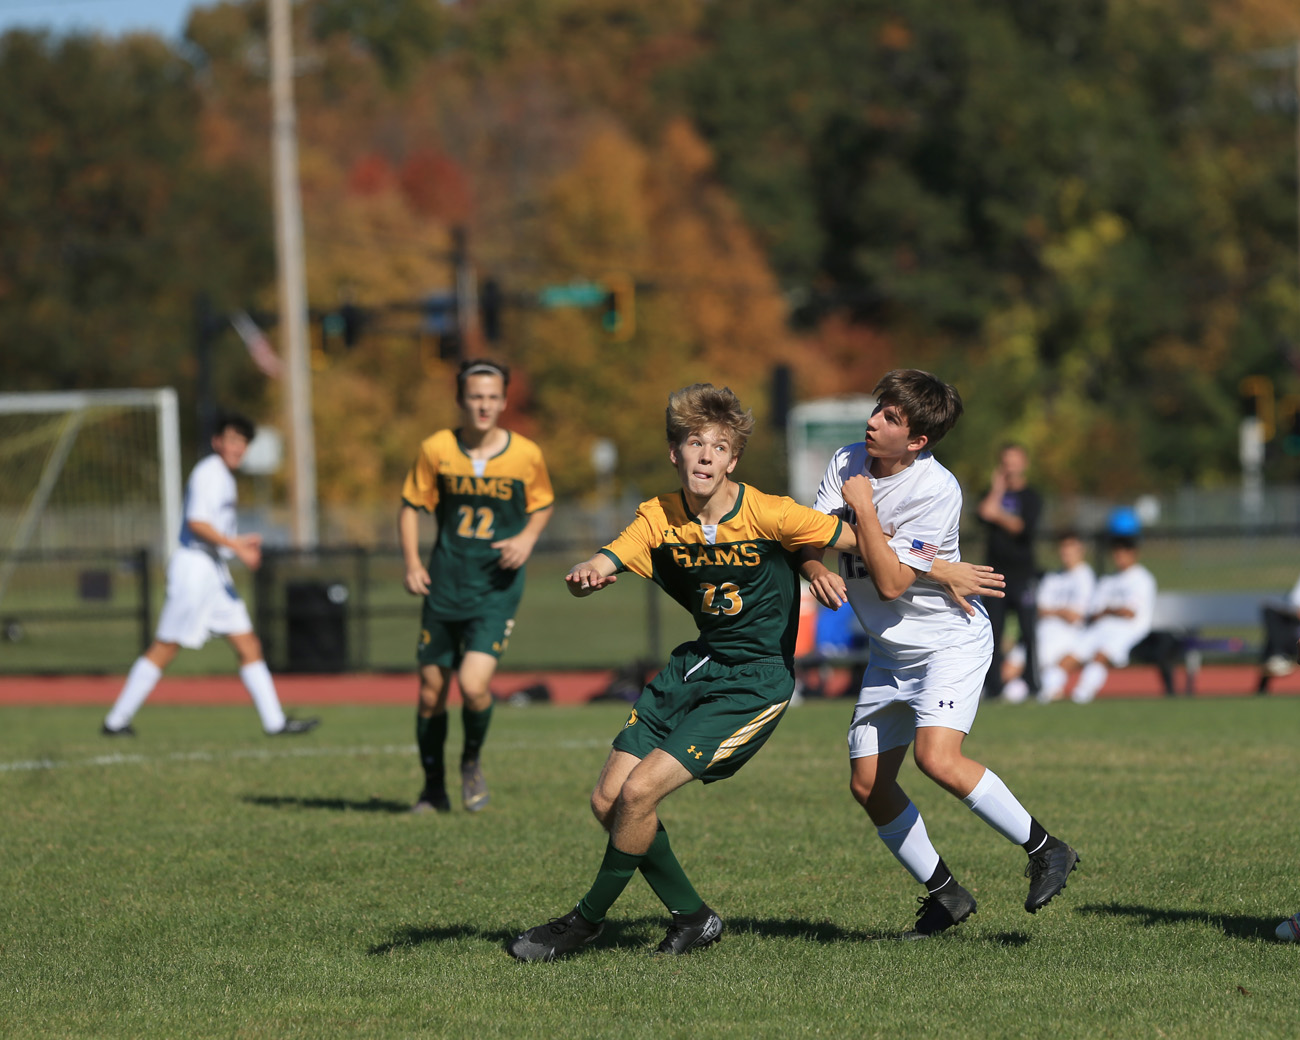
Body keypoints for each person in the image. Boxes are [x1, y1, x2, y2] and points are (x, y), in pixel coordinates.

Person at [505, 384, 998, 961]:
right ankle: (692, 917)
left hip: (753, 681)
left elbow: (866, 542)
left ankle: (583, 922)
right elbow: (617, 550)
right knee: (608, 801)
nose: (706, 455)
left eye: (719, 446)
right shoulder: (658, 515)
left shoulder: (768, 512)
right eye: (695, 443)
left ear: (733, 460)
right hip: (695, 666)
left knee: (638, 794)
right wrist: (590, 568)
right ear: (676, 454)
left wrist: (946, 571)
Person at [801, 369, 1078, 938]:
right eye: (878, 409)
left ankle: (1048, 849)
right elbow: (812, 534)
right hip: (890, 651)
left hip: (948, 642)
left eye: (891, 419)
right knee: (868, 786)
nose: (873, 422)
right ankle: (946, 895)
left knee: (937, 758)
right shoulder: (847, 459)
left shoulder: (936, 489)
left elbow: (892, 584)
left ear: (918, 441)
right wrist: (811, 564)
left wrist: (866, 516)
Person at [103, 411, 319, 737]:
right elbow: (197, 523)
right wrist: (235, 544)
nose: (237, 447)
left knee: (248, 644)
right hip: (194, 570)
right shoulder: (209, 472)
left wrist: (237, 544)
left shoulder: (225, 478)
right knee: (166, 647)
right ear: (218, 441)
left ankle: (275, 723)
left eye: (243, 442)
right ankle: (116, 721)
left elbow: (214, 531)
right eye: (232, 440)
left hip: (214, 573)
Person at [399, 359, 553, 814]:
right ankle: (433, 790)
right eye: (475, 396)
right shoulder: (437, 449)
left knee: (472, 684)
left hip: (495, 588)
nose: (483, 405)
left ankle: (470, 760)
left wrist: (526, 538)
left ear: (504, 401)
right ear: (460, 399)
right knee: (430, 691)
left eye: (492, 397)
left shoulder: (526, 454)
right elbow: (410, 505)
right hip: (445, 583)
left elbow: (542, 503)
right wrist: (411, 562)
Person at [1037, 533, 1157, 705]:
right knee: (1067, 658)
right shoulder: (1108, 580)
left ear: (1133, 553)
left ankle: (1083, 694)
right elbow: (1094, 612)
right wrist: (1110, 611)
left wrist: (1107, 610)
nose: (1119, 556)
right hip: (1098, 629)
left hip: (1127, 631)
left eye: (1123, 551)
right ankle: (1049, 692)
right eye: (1116, 552)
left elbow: (1129, 613)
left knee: (1100, 655)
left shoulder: (1142, 579)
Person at [977, 443, 1043, 699]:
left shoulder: (1032, 497)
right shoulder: (994, 493)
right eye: (1006, 461)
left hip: (1023, 574)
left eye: (1015, 461)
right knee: (992, 632)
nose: (1010, 467)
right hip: (994, 575)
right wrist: (997, 491)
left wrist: (997, 515)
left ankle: (1034, 685)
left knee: (1028, 630)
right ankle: (994, 687)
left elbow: (1022, 527)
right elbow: (984, 512)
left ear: (1024, 464)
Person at [1002, 530, 1096, 704]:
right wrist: (1061, 611)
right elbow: (1038, 609)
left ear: (1080, 549)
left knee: (1044, 673)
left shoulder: (1085, 576)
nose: (1065, 552)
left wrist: (1052, 611)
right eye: (1063, 547)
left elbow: (1075, 616)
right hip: (1041, 631)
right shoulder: (1053, 577)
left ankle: (1041, 690)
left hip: (1066, 636)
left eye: (1070, 547)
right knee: (1007, 671)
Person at [1255, 573, 1300, 694]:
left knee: (1275, 638)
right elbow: (1295, 606)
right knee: (1269, 610)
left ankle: (1277, 655)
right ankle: (1277, 655)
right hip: (1293, 633)